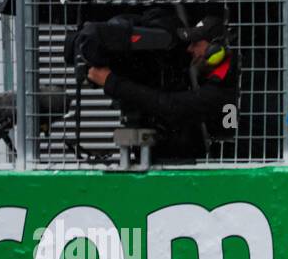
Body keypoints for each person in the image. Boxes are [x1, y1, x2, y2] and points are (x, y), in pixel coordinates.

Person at [86, 15, 240, 161]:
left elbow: (171, 106)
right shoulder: (218, 77)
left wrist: (111, 82)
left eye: (196, 43)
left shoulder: (224, 89)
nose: (189, 49)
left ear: (216, 49)